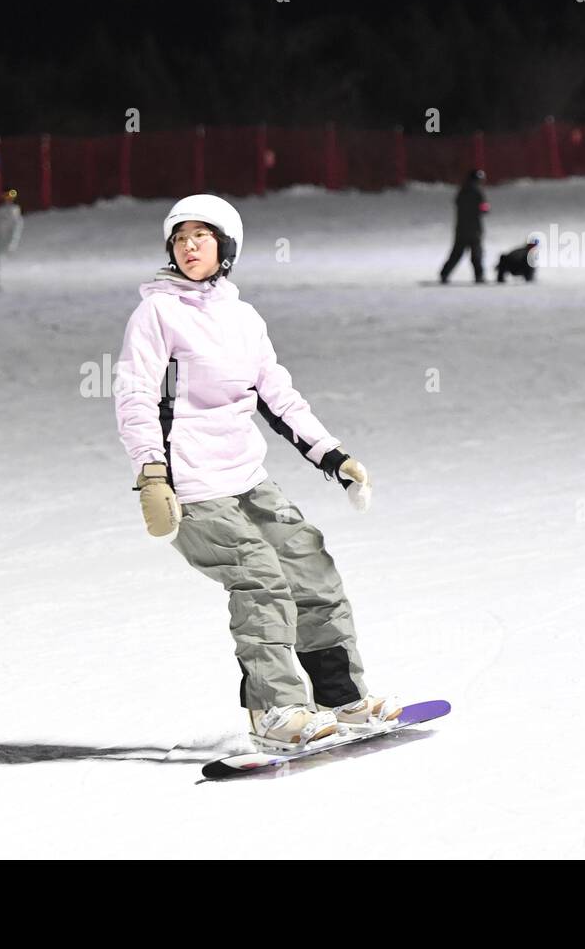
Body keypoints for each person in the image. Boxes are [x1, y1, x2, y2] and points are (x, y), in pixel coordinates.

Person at [114, 194, 400, 754]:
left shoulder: (242, 318)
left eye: (202, 235)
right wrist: (151, 475)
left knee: (309, 566)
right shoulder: (156, 314)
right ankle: (274, 710)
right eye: (180, 237)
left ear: (226, 247)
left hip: (245, 478)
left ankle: (339, 698)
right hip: (191, 487)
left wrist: (332, 456)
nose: (189, 245)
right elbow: (135, 398)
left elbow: (279, 399)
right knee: (259, 576)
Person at [439, 168, 490, 283]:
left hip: (461, 228)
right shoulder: (478, 192)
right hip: (474, 229)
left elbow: (458, 203)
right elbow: (484, 209)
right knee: (476, 254)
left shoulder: (462, 191)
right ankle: (479, 276)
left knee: (456, 253)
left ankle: (444, 273)